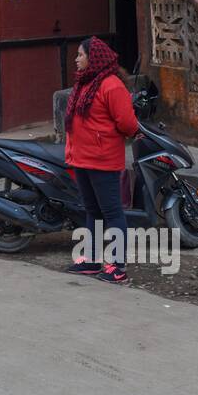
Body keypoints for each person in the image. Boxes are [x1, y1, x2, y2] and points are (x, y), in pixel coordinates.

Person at [63, 37, 139, 284]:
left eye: (80, 55)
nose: (77, 59)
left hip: (103, 160)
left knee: (113, 212)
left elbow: (127, 123)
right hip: (83, 159)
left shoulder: (112, 86)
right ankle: (93, 259)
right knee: (92, 211)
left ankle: (117, 266)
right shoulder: (85, 84)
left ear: (93, 58)